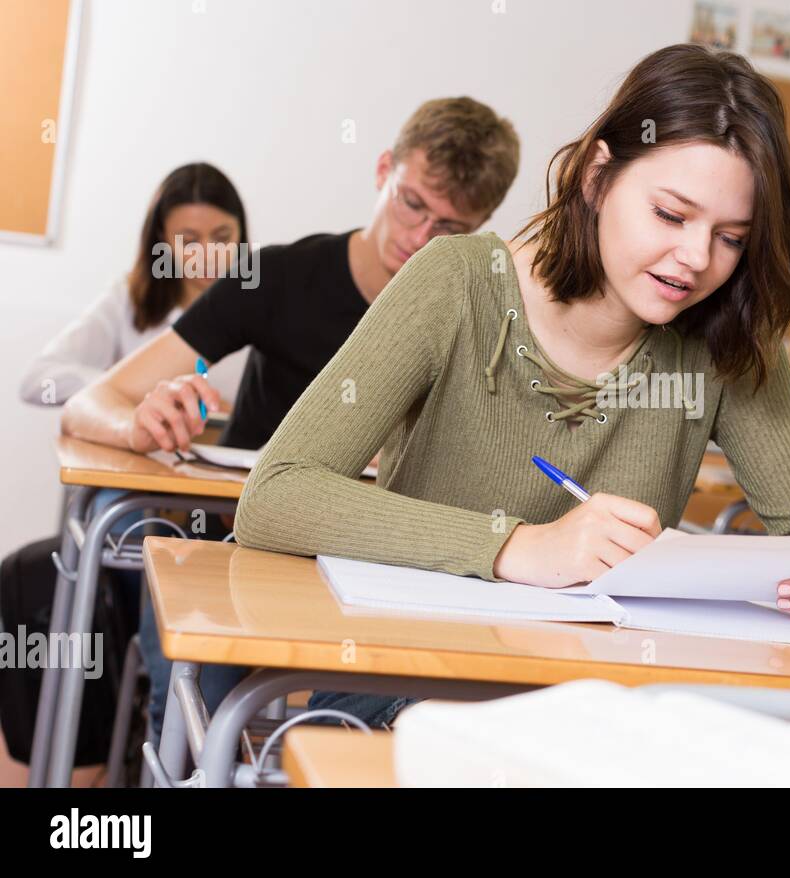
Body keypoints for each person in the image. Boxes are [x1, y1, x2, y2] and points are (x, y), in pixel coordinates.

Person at [234, 43, 790, 728]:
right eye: (671, 215)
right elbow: (276, 494)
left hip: (601, 697)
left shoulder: (727, 335)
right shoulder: (454, 283)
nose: (696, 259)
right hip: (412, 674)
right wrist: (518, 547)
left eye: (730, 237)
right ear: (598, 177)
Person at [59, 97, 521, 739]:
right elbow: (90, 402)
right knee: (206, 716)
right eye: (413, 203)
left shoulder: (475, 319)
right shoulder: (277, 276)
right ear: (384, 168)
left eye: (450, 227)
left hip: (380, 568)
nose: (420, 239)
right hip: (234, 545)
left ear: (483, 226)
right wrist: (135, 424)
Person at [20, 162, 249, 407]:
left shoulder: (261, 304)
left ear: (240, 233)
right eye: (190, 241)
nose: (209, 254)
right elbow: (37, 381)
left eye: (222, 237)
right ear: (163, 239)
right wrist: (125, 389)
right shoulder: (129, 299)